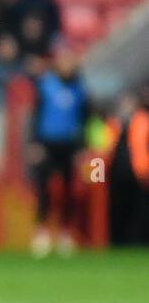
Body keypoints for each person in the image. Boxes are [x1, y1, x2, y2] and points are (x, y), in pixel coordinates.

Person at [30, 49, 89, 257]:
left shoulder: (80, 89)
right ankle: (42, 233)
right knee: (44, 189)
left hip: (69, 146)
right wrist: (35, 143)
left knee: (69, 191)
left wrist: (82, 147)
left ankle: (65, 233)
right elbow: (36, 115)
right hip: (47, 144)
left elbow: (84, 121)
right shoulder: (46, 86)